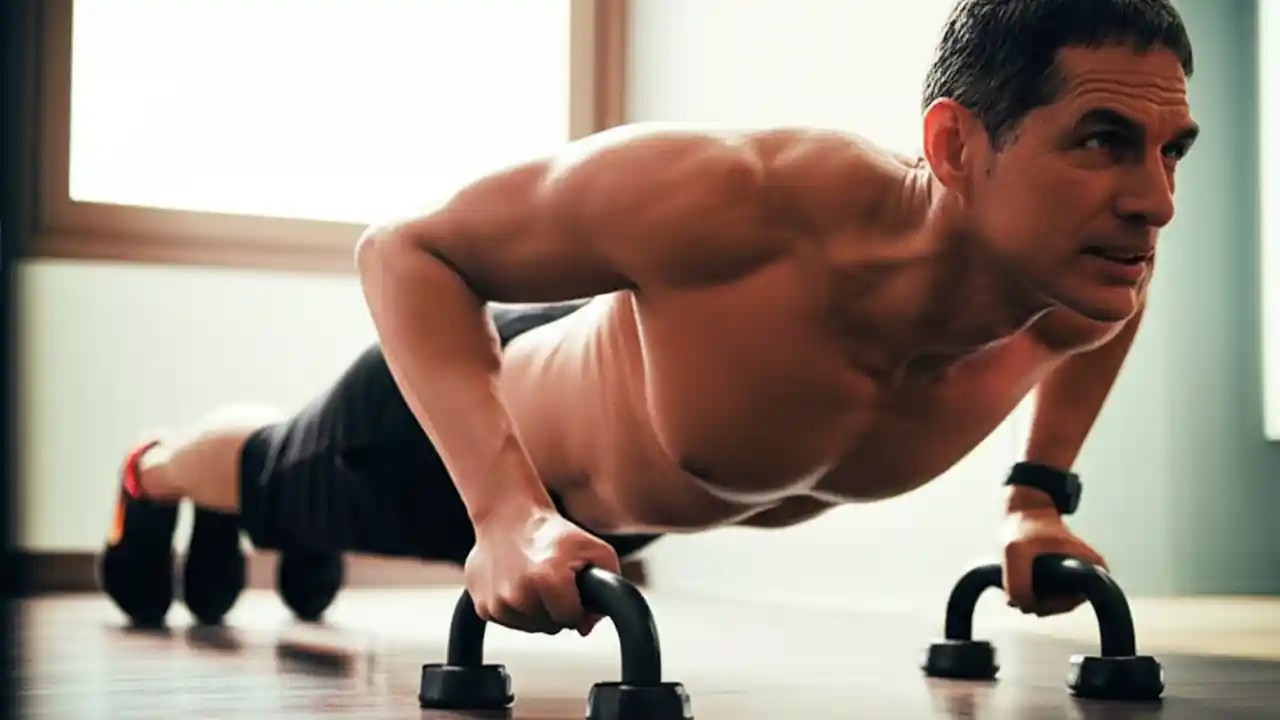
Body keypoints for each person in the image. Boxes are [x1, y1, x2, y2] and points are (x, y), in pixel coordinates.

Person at [100, 0, 1199, 636]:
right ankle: (151, 474)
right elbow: (406, 249)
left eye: (1168, 152)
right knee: (268, 474)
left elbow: (1105, 328)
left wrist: (1033, 498)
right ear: (957, 146)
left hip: (588, 520)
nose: (1153, 199)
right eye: (1101, 139)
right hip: (458, 448)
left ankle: (287, 532)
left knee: (299, 525)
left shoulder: (1083, 281)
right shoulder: (742, 201)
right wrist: (501, 513)